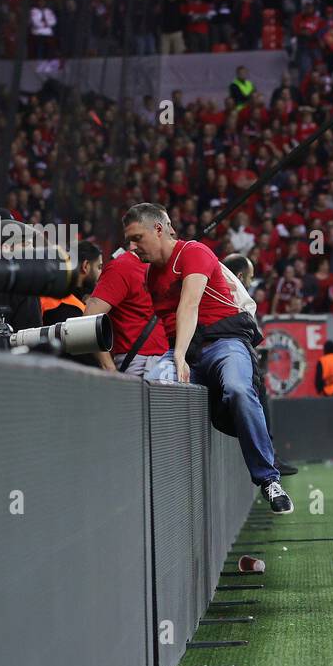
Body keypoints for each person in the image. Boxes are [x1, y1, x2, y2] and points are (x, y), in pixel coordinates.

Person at [122, 202, 293, 514]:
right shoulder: (151, 277)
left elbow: (189, 305)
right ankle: (155, 481)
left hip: (224, 342)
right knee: (149, 385)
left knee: (239, 390)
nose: (132, 247)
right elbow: (170, 326)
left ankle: (269, 479)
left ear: (158, 230)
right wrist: (175, 357)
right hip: (185, 351)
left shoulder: (193, 252)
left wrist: (177, 357)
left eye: (137, 238)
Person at [84, 249, 170, 376]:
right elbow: (89, 319)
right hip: (140, 365)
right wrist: (108, 367)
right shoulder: (121, 267)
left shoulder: (166, 268)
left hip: (168, 362)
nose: (173, 232)